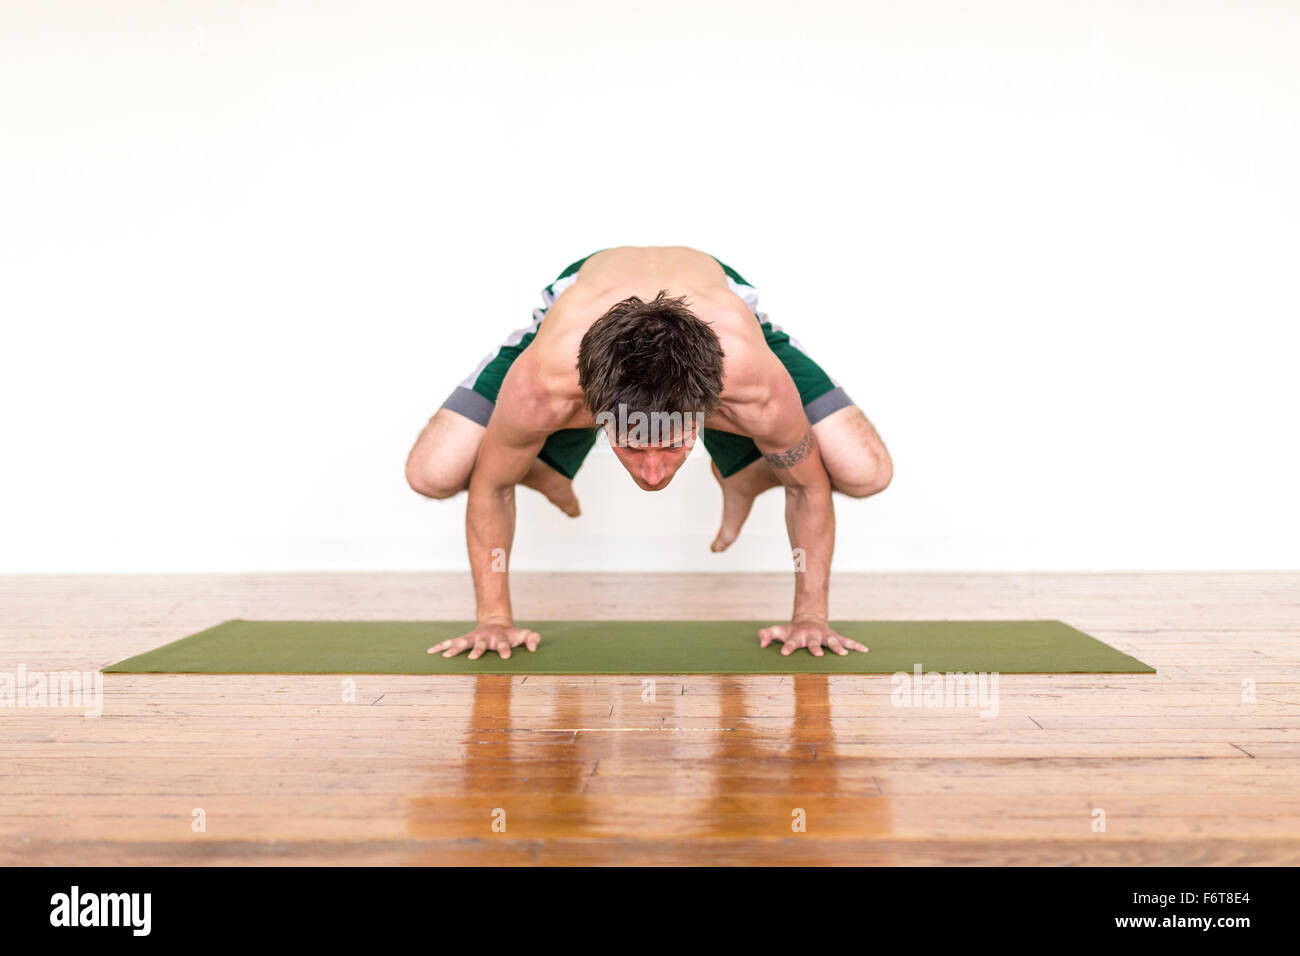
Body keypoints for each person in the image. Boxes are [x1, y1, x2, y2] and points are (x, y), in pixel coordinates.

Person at [406, 246, 892, 659]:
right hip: (583, 300)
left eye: (675, 444)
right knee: (433, 473)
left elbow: (808, 485)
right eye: (634, 446)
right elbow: (492, 487)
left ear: (709, 411)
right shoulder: (545, 385)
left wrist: (810, 617)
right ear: (592, 413)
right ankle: (541, 464)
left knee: (865, 471)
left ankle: (742, 472)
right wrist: (493, 619)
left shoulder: (753, 385)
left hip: (715, 306)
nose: (654, 476)